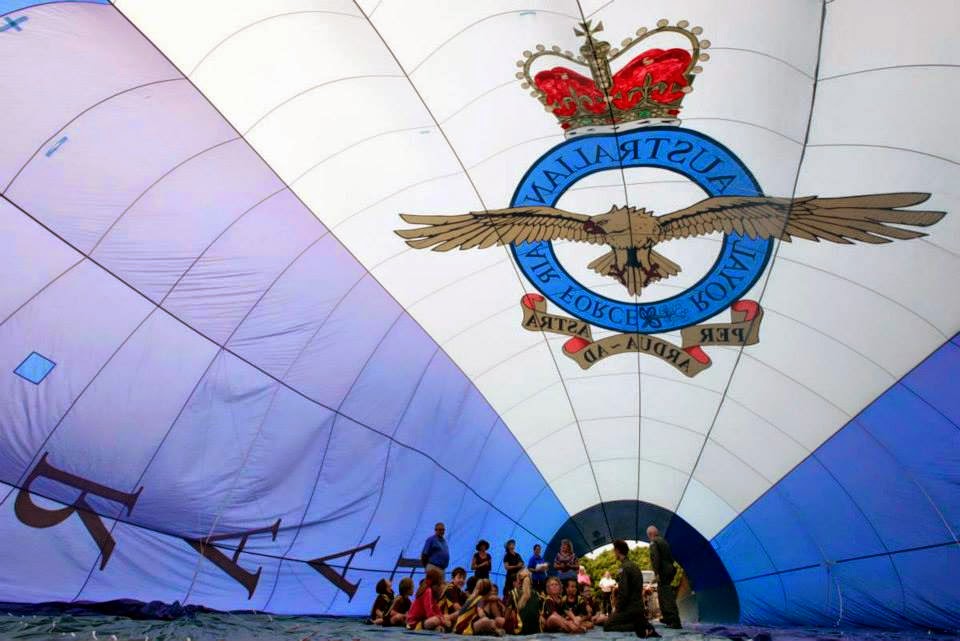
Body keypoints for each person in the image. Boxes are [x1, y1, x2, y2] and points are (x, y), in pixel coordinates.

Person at [603, 539, 659, 638]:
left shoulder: (625, 568)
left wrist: (617, 610)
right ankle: (639, 621)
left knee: (607, 625)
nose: (613, 553)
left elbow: (623, 593)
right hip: (638, 607)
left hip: (630, 609)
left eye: (614, 550)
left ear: (617, 551)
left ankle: (638, 626)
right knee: (612, 619)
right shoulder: (634, 566)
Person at [647, 525, 682, 629]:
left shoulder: (654, 543)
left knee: (666, 595)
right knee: (662, 593)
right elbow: (671, 558)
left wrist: (656, 573)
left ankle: (674, 620)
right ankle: (667, 618)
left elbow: (655, 558)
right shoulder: (664, 542)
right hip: (670, 569)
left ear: (650, 534)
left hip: (663, 571)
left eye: (648, 535)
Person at [507, 568, 541, 635]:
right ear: (531, 580)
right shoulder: (537, 594)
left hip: (521, 630)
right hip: (536, 629)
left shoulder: (513, 593)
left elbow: (507, 616)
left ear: (518, 580)